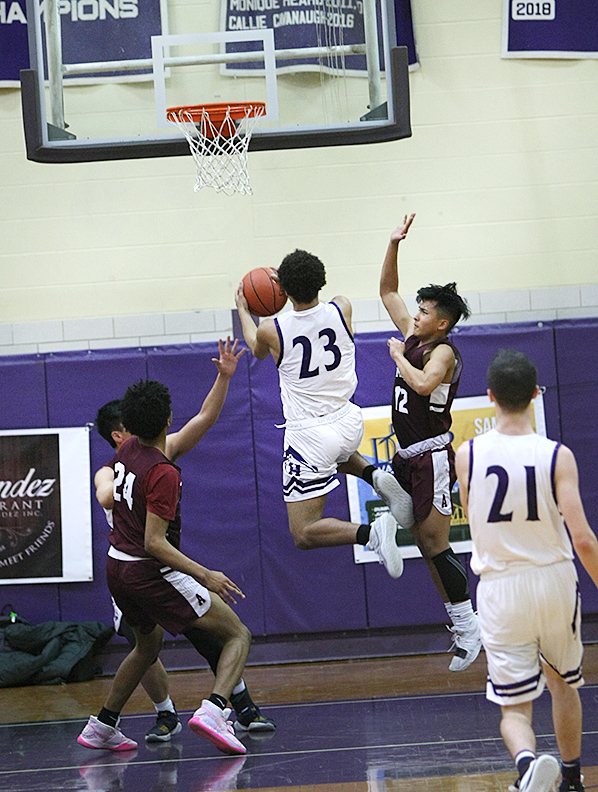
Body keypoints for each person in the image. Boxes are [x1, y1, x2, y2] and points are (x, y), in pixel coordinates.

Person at [93, 340, 275, 741]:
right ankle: (215, 710)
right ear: (168, 418)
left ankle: (104, 723)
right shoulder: (162, 471)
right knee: (236, 633)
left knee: (147, 647)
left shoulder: (124, 454)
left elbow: (206, 416)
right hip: (148, 568)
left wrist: (223, 376)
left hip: (117, 568)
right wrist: (207, 573)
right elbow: (154, 542)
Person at [455, 349, 598, 792]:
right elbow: (584, 540)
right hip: (553, 579)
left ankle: (527, 765)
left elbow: (469, 509)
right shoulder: (557, 455)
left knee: (514, 707)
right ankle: (571, 779)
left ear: (490, 396)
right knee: (563, 684)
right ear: (536, 394)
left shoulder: (468, 454)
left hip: (500, 586)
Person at [235, 249, 414, 579]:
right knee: (338, 454)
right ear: (321, 280)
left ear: (284, 291)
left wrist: (245, 310)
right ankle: (377, 477)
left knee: (303, 532)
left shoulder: (271, 330)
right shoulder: (341, 306)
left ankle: (372, 533)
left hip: (311, 435)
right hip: (349, 421)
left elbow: (254, 346)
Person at [379, 213, 480, 672]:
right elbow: (387, 291)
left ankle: (469, 628)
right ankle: (460, 623)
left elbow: (422, 386)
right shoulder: (416, 335)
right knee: (425, 542)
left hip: (433, 455)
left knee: (436, 542)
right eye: (416, 310)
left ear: (441, 324)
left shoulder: (441, 351)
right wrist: (394, 244)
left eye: (423, 312)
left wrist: (399, 357)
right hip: (408, 455)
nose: (413, 314)